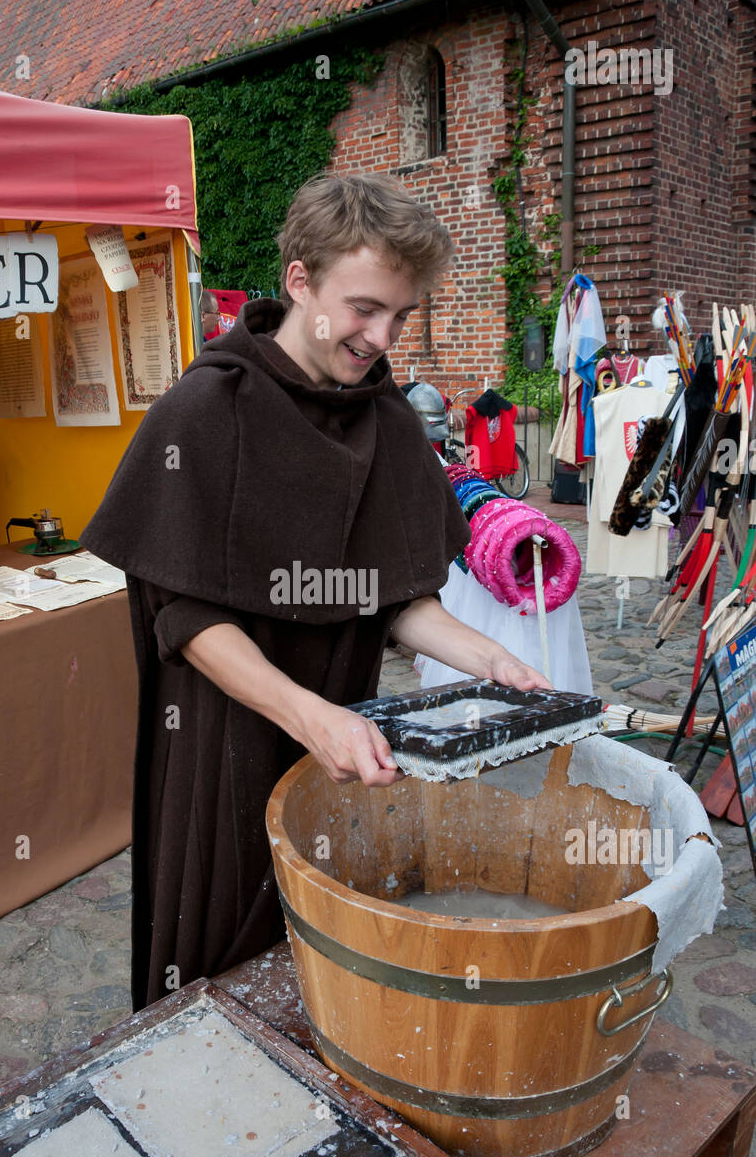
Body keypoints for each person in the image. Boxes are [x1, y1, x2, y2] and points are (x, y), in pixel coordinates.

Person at [80, 172, 549, 1011]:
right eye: (364, 307)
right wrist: (306, 715)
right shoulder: (204, 411)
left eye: (399, 316)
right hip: (224, 736)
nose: (379, 335)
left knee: (323, 947)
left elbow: (398, 598)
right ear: (299, 281)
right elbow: (182, 613)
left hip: (345, 732)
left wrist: (491, 662)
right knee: (222, 960)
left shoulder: (391, 422)